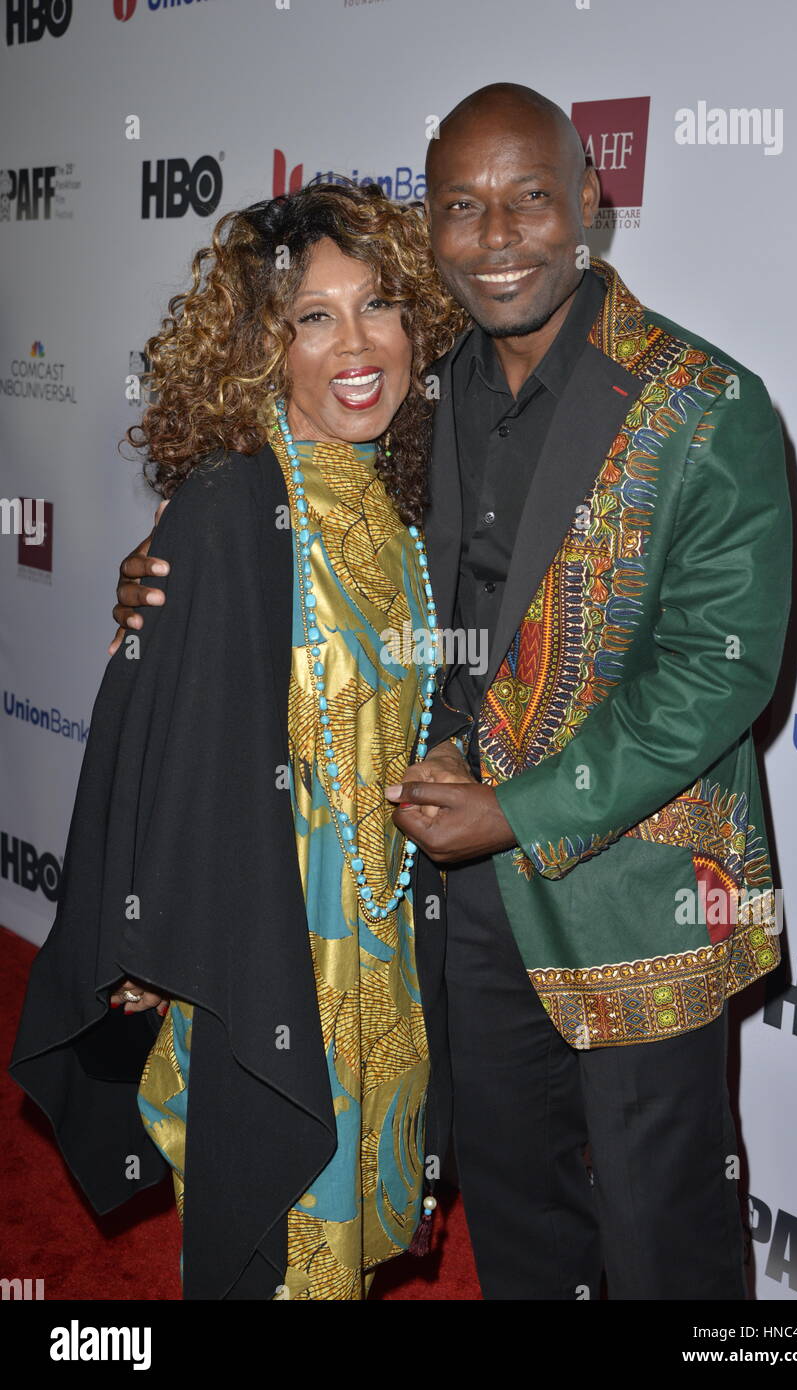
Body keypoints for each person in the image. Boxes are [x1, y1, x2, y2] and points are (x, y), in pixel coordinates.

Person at [110, 84, 793, 1301]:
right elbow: (316, 557)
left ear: (592, 200)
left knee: (664, 1237)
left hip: (641, 900)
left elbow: (717, 672)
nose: (500, 235)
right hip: (460, 907)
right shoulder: (413, 398)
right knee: (522, 1223)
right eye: (463, 207)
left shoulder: (707, 404)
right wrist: (172, 581)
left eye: (532, 197)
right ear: (431, 232)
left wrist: (517, 808)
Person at [9, 180, 469, 1301]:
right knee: (278, 1247)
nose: (358, 346)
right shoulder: (228, 502)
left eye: (379, 307)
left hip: (378, 950)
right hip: (268, 948)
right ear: (264, 344)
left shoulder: (398, 507)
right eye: (315, 317)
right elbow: (158, 731)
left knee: (347, 1245)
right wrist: (145, 942)